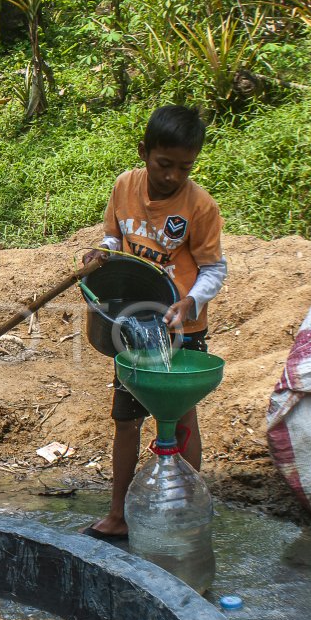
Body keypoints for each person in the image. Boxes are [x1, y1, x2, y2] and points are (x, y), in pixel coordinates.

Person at [82, 105, 227, 541]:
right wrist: (99, 255)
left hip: (180, 327)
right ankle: (119, 515)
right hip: (133, 323)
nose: (173, 176)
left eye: (185, 167)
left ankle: (179, 517)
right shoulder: (125, 186)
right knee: (126, 421)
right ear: (145, 152)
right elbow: (114, 239)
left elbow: (214, 270)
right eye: (165, 164)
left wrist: (190, 302)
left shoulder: (200, 207)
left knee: (181, 420)